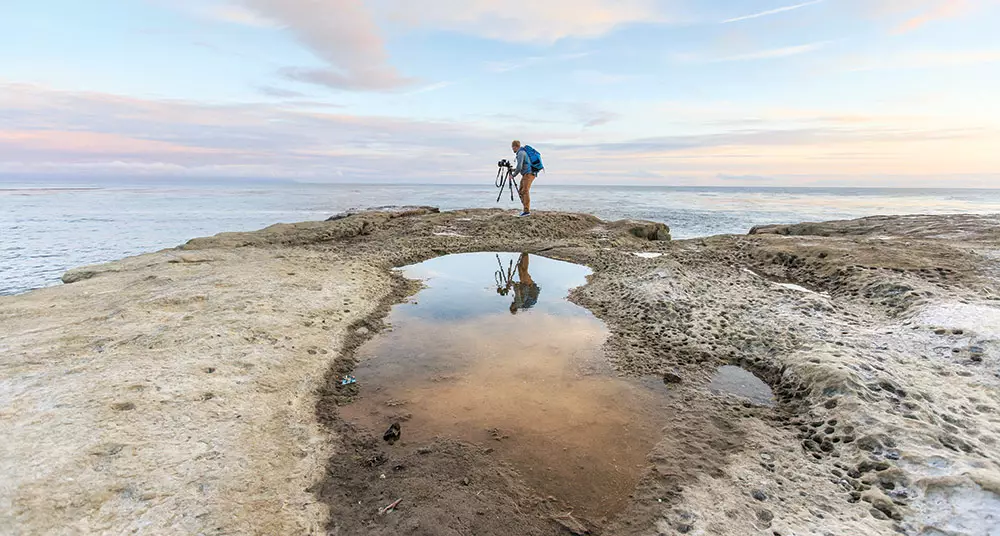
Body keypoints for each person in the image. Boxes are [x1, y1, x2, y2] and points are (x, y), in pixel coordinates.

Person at [510, 140, 538, 217]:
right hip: (526, 174)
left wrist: (513, 175)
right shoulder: (522, 152)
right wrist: (513, 170)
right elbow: (521, 166)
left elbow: (519, 167)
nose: (512, 149)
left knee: (525, 191)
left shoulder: (521, 153)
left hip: (529, 174)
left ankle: (526, 211)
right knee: (521, 191)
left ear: (515, 146)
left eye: (512, 147)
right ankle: (525, 209)